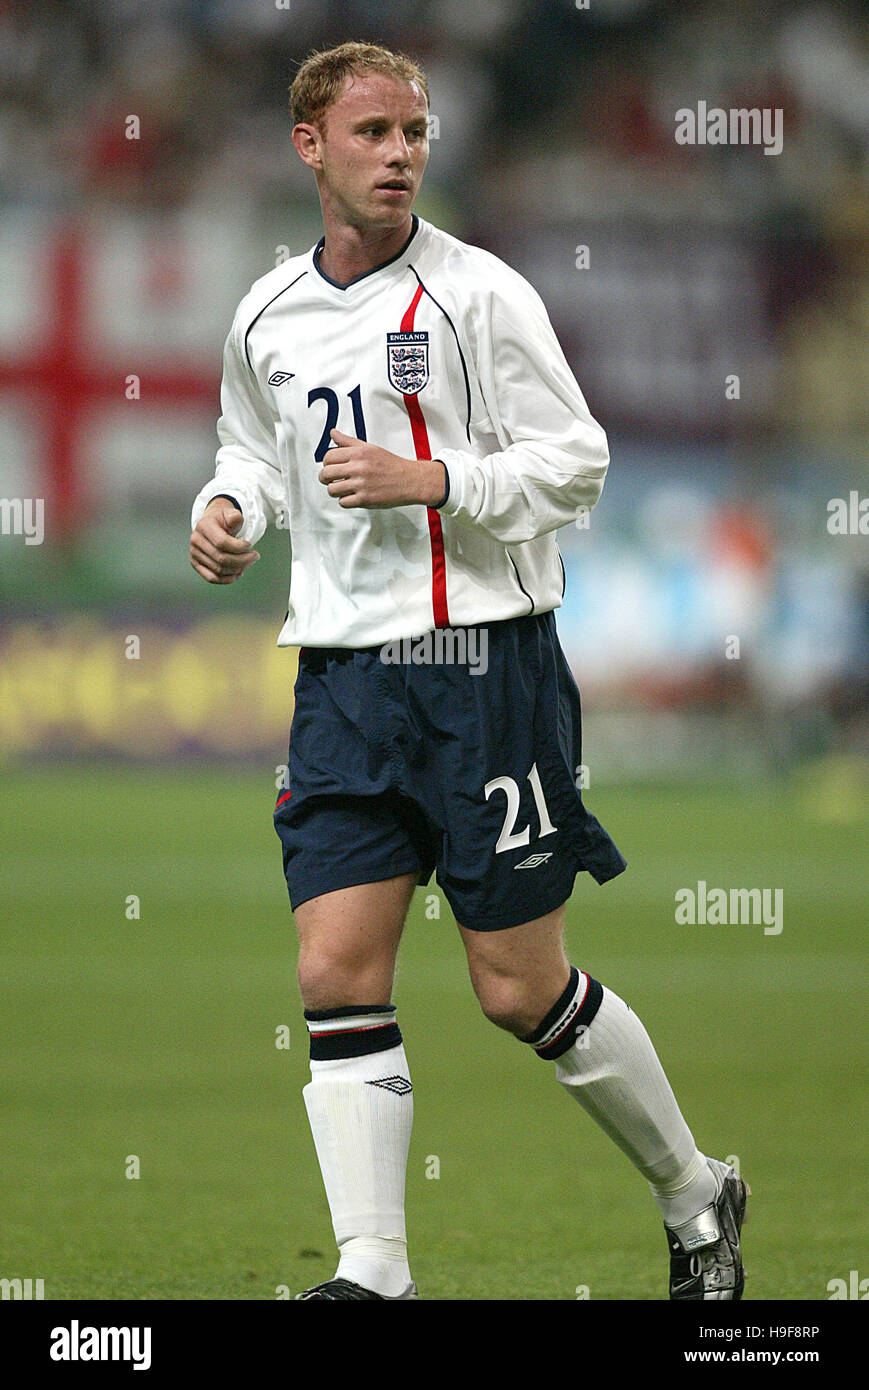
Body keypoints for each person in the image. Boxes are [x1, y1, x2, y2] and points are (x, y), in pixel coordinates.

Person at [189, 40, 748, 1301]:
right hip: (338, 678)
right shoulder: (265, 312)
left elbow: (578, 460)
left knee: (515, 987)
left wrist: (436, 478)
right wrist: (228, 507)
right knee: (333, 970)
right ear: (310, 146)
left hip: (481, 670)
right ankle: (374, 1267)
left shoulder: (479, 297)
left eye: (414, 133)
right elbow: (253, 443)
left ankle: (692, 1189)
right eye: (374, 132)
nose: (399, 154)